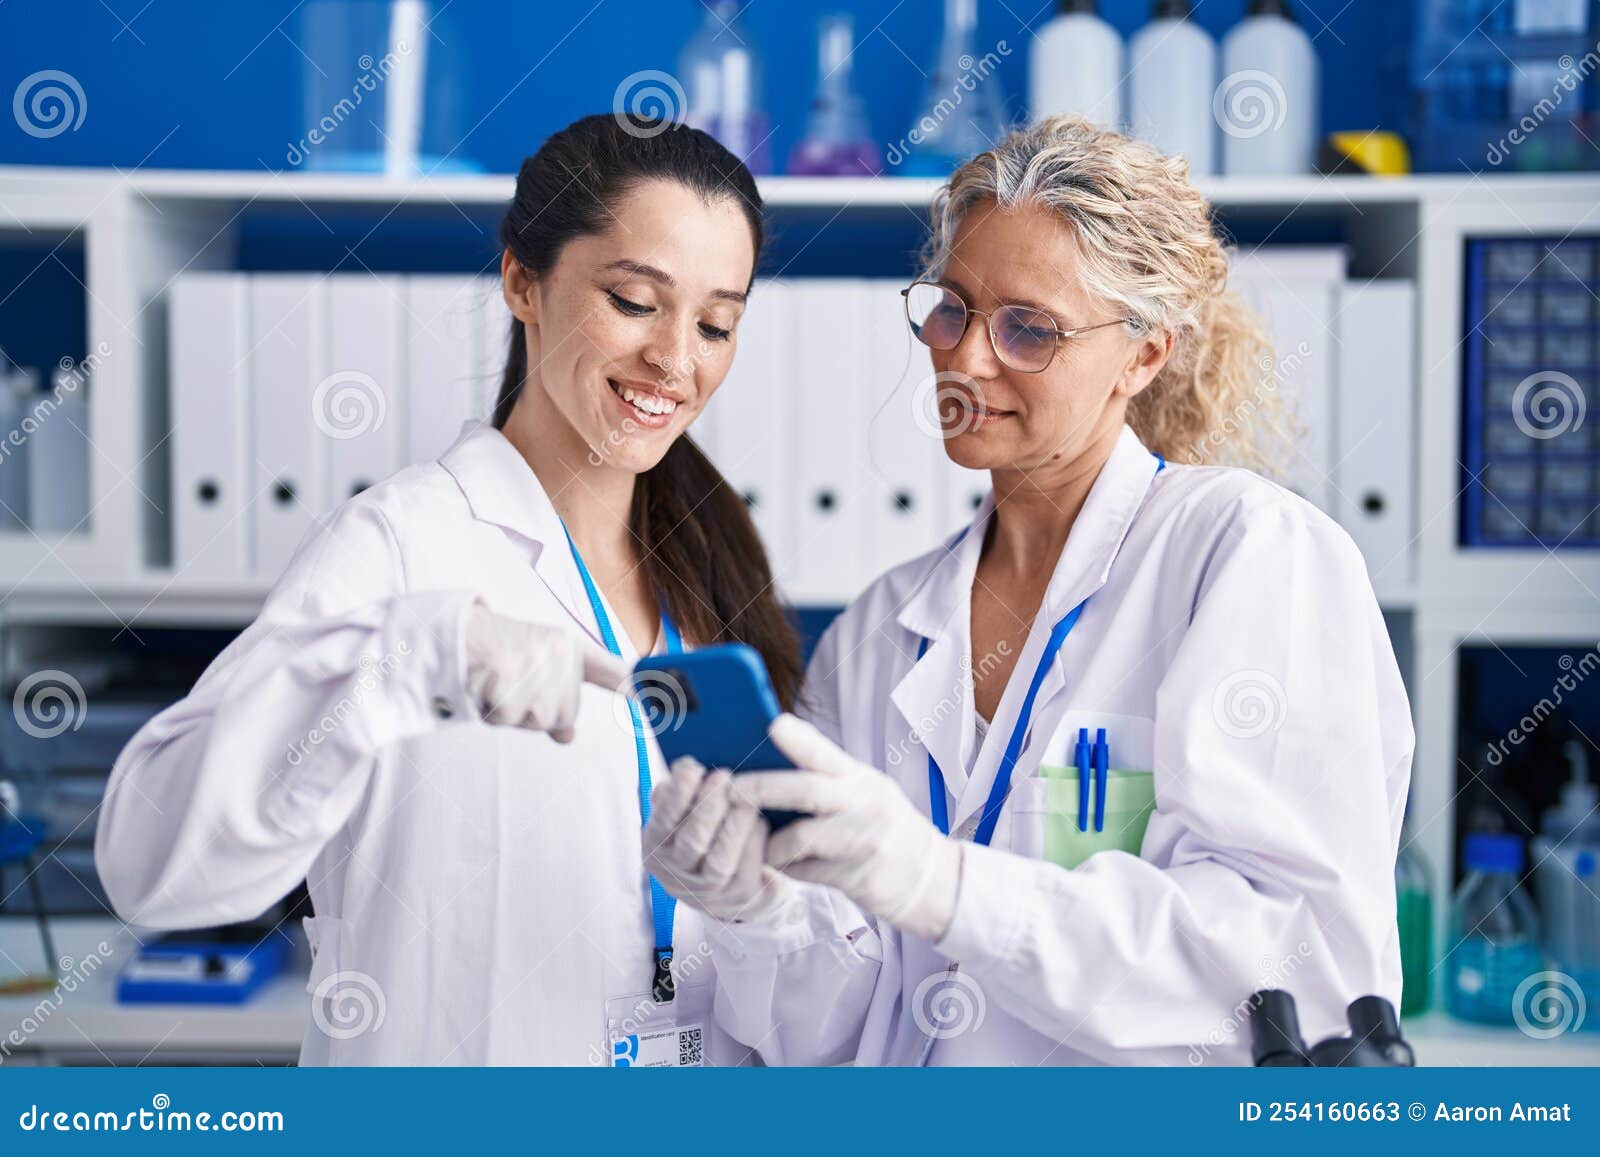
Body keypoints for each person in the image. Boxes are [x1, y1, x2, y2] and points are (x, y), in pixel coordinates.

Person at [643, 116, 1415, 1066]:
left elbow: (1299, 970)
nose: (966, 360)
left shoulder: (1247, 555)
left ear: (1142, 354)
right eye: (953, 308)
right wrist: (757, 907)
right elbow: (834, 1032)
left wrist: (945, 885)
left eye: (1028, 329)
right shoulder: (883, 626)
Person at [96, 114, 801, 1065]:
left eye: (717, 322)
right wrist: (407, 657)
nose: (677, 360)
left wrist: (760, 909)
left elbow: (786, 989)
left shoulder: (718, 573)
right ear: (523, 282)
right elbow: (151, 867)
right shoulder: (399, 545)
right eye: (636, 301)